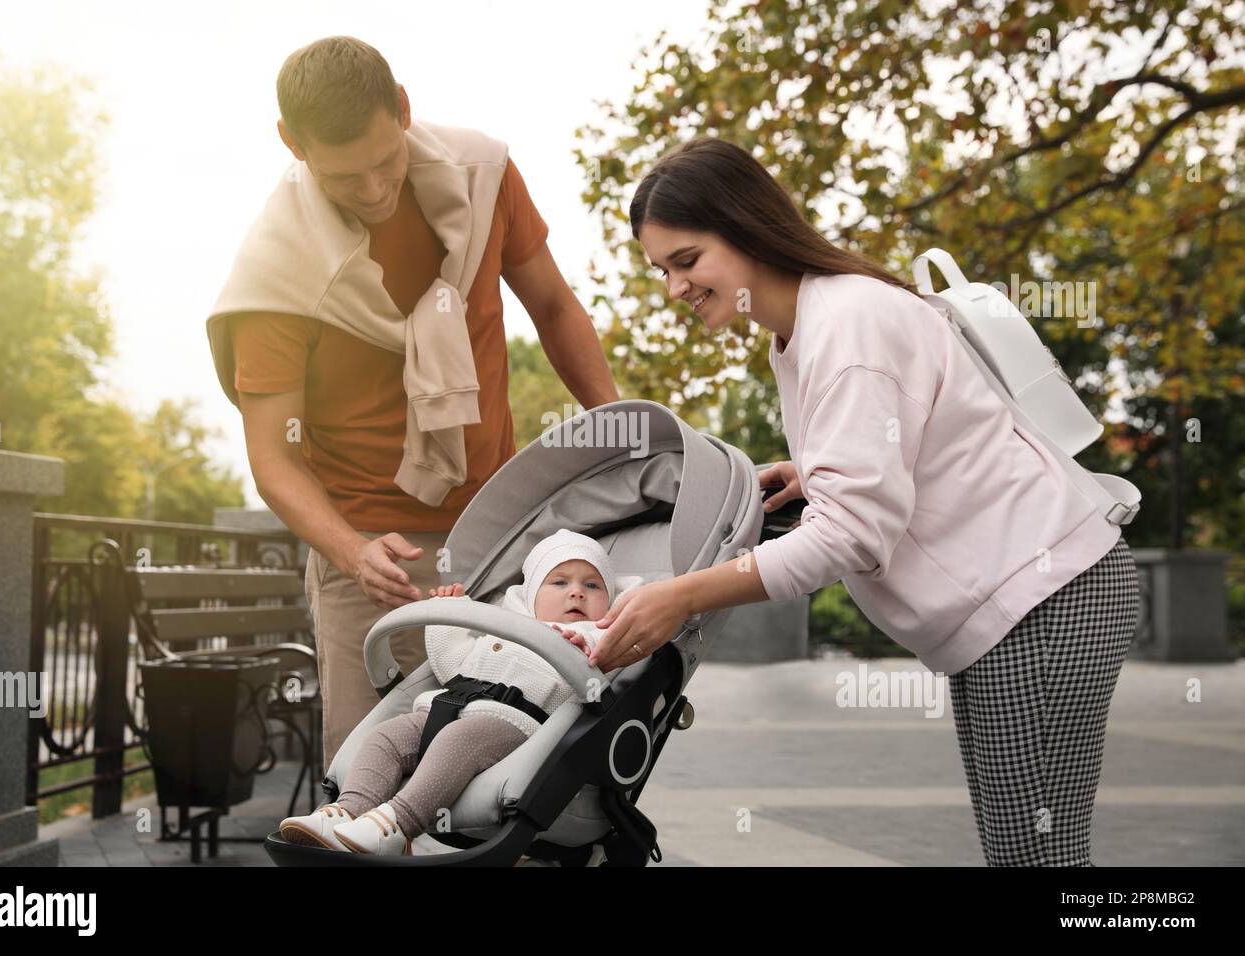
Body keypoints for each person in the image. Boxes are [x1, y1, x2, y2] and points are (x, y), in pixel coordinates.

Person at [587, 137, 1141, 867]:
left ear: (744, 226)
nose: (674, 288)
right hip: (1029, 602)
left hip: (1043, 600)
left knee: (1038, 862)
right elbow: (913, 447)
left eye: (686, 261)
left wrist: (684, 595)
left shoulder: (844, 327)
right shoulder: (805, 329)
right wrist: (816, 470)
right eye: (661, 270)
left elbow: (851, 536)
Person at [204, 37, 619, 767]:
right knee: (371, 781)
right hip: (371, 562)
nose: (371, 191)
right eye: (342, 177)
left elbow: (553, 307)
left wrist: (619, 429)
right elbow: (274, 459)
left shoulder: (484, 176)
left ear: (403, 108)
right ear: (290, 145)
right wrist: (352, 551)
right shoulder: (275, 274)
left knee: (516, 775)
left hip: (499, 543)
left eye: (384, 162)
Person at [277, 529, 626, 855]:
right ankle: (347, 811)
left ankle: (397, 825)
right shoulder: (503, 628)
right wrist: (448, 618)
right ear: (530, 593)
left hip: (516, 724)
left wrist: (588, 649)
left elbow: (599, 668)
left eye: (593, 586)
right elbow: (451, 665)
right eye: (560, 582)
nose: (577, 592)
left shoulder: (597, 636)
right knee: (387, 736)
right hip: (445, 706)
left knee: (460, 740)